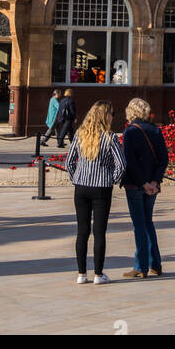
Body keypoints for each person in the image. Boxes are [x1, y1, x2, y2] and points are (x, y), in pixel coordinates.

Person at [66, 100, 126, 285]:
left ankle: (81, 274)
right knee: (99, 232)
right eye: (111, 113)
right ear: (105, 116)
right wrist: (112, 178)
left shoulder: (79, 135)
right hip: (101, 188)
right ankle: (98, 274)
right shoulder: (110, 137)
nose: (113, 117)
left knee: (82, 231)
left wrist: (77, 177)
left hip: (81, 188)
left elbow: (69, 162)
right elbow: (121, 164)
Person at [120, 98, 169, 279]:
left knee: (139, 225)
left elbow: (130, 162)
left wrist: (144, 183)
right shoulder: (156, 130)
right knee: (148, 222)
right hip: (153, 187)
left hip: (136, 185)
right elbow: (163, 158)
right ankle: (155, 264)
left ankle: (141, 266)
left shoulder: (130, 132)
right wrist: (155, 182)